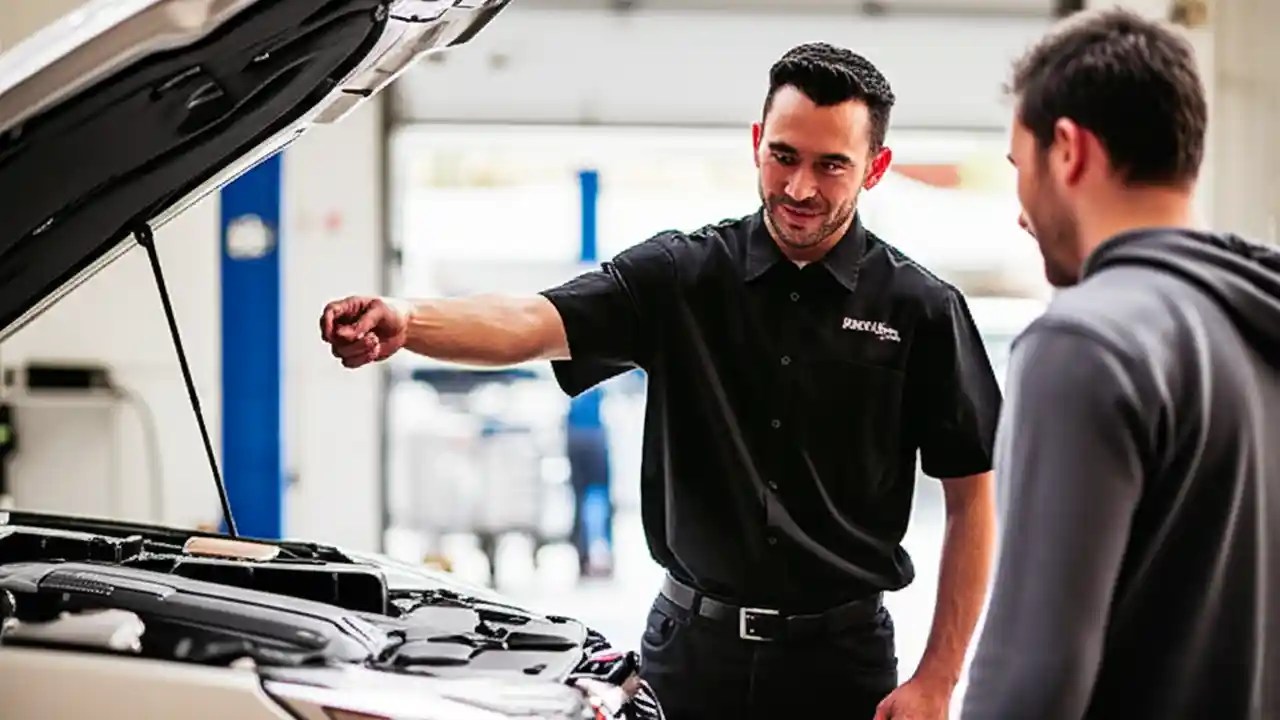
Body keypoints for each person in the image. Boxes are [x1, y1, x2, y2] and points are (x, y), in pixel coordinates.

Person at [320, 42, 1003, 720]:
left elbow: (974, 501)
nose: (799, 188)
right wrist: (409, 322)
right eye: (784, 156)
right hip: (689, 659)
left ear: (875, 168)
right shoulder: (683, 275)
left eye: (831, 167)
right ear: (757, 142)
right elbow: (532, 320)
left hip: (842, 667)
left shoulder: (920, 310)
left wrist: (938, 678)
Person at [961, 8, 1280, 720]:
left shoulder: (1085, 345)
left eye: (1021, 167)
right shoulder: (1257, 324)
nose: (1021, 210)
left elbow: (1031, 685)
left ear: (1068, 149)